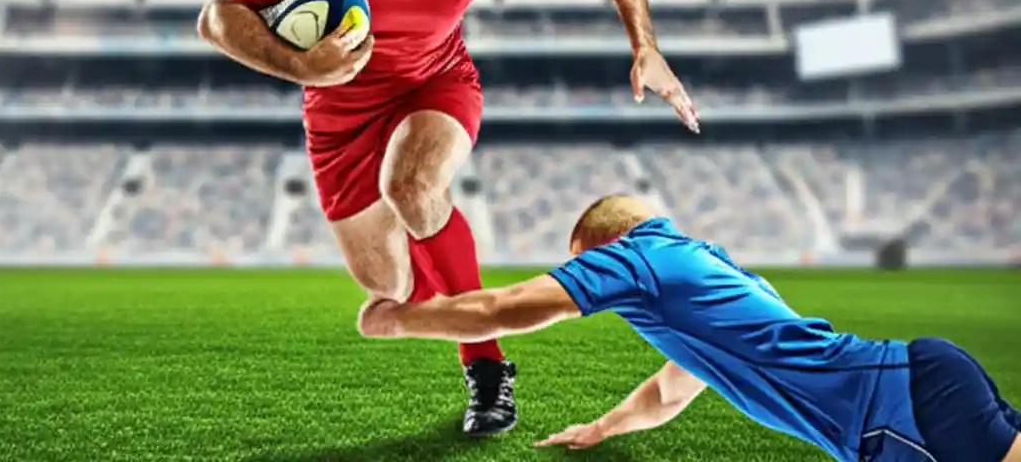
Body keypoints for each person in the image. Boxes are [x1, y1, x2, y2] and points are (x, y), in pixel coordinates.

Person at [196, 0, 699, 436]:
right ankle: (435, 271)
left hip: (436, 83)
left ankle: (487, 370)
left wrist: (645, 45)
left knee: (412, 186)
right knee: (390, 286)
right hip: (337, 112)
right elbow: (219, 14)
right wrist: (301, 65)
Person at [358, 195, 1021, 461]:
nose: (584, 274)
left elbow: (503, 308)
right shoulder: (705, 274)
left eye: (580, 260)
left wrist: (398, 320)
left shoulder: (637, 258)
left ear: (598, 245)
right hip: (913, 386)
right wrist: (603, 427)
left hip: (896, 410)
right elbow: (672, 390)